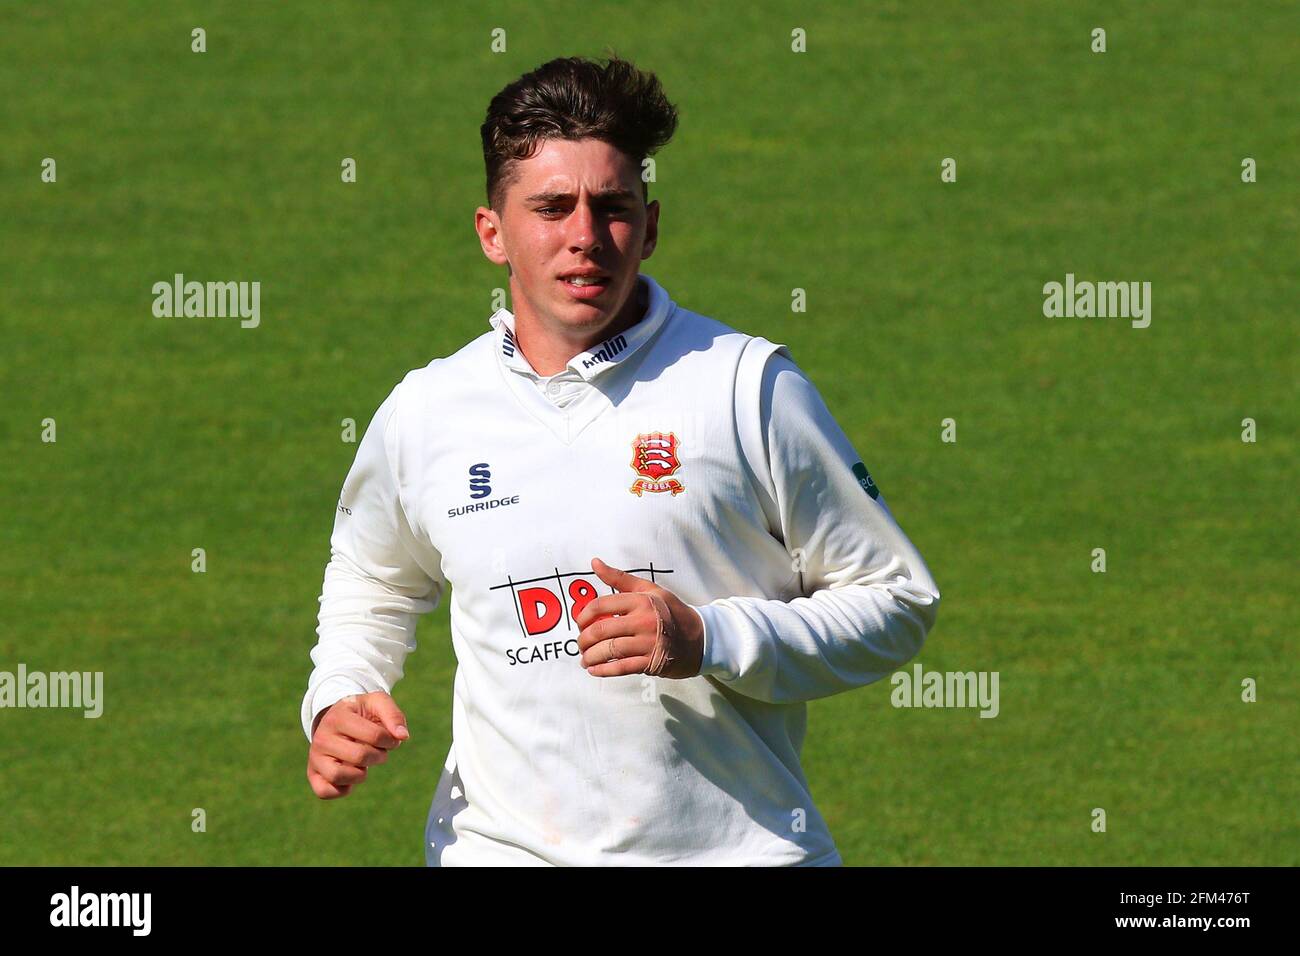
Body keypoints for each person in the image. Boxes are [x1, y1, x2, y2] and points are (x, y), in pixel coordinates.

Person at [300, 55, 941, 866]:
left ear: (651, 224)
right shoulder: (428, 412)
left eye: (612, 208)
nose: (584, 238)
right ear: (492, 233)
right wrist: (340, 694)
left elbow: (896, 600)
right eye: (551, 208)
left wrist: (709, 638)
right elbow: (372, 575)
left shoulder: (745, 387)